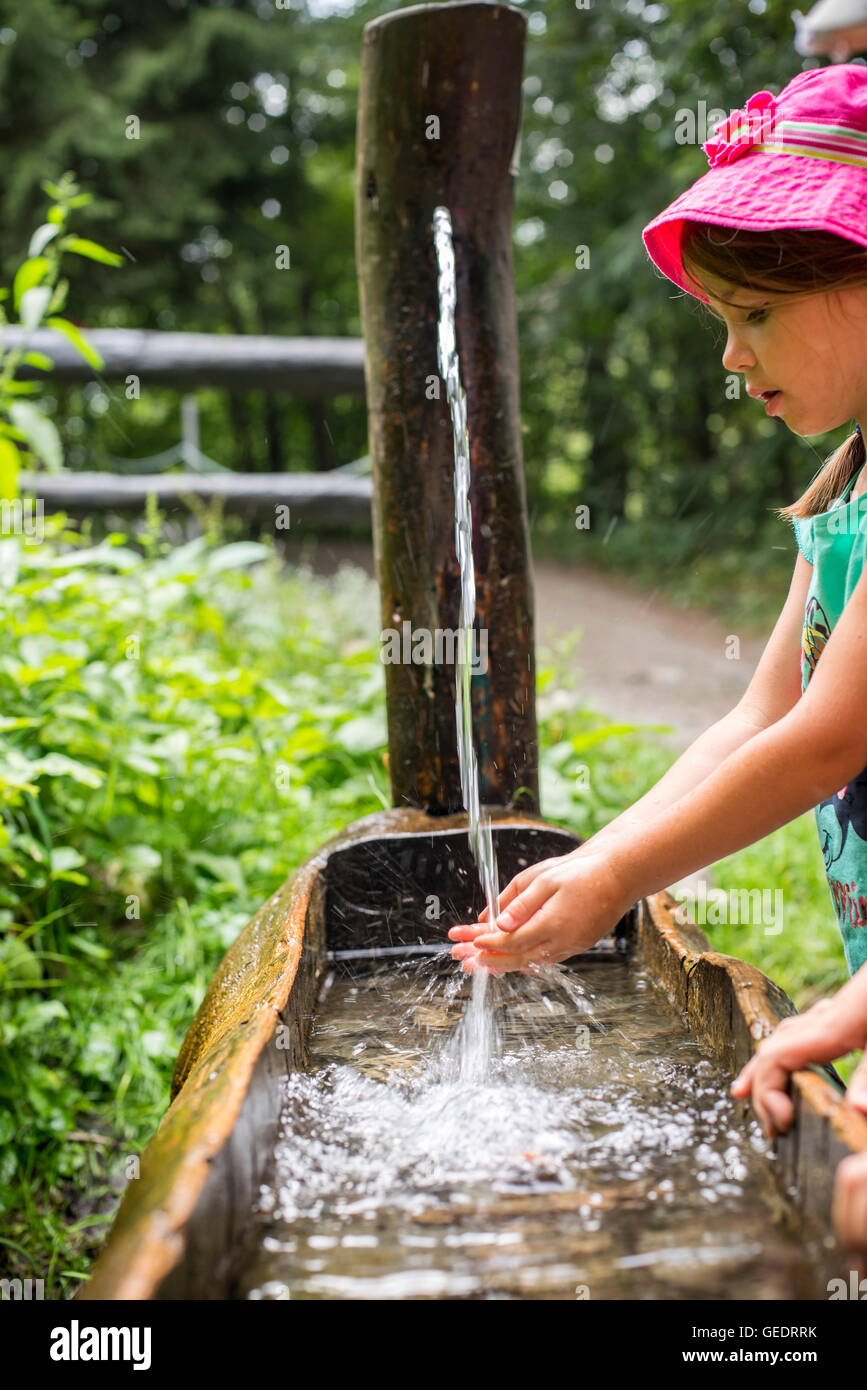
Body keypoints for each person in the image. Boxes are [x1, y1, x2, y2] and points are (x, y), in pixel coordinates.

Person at [448, 62, 867, 1254]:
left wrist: (622, 877)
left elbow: (835, 733)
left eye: (754, 314)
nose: (732, 359)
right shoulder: (846, 496)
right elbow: (759, 714)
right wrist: (600, 855)